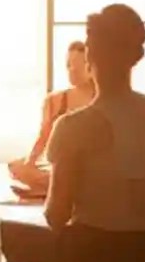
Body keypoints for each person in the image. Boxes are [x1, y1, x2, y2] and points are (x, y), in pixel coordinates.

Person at [0, 4, 145, 262]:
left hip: (94, 254)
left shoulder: (74, 125)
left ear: (90, 55)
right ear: (137, 56)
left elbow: (56, 216)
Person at [8, 41, 96, 197]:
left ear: (91, 67)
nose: (72, 70)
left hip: (93, 167)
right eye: (68, 65)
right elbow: (43, 137)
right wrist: (29, 164)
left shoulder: (103, 99)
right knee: (16, 167)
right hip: (60, 165)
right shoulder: (56, 100)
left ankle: (50, 190)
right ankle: (55, 188)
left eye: (78, 64)